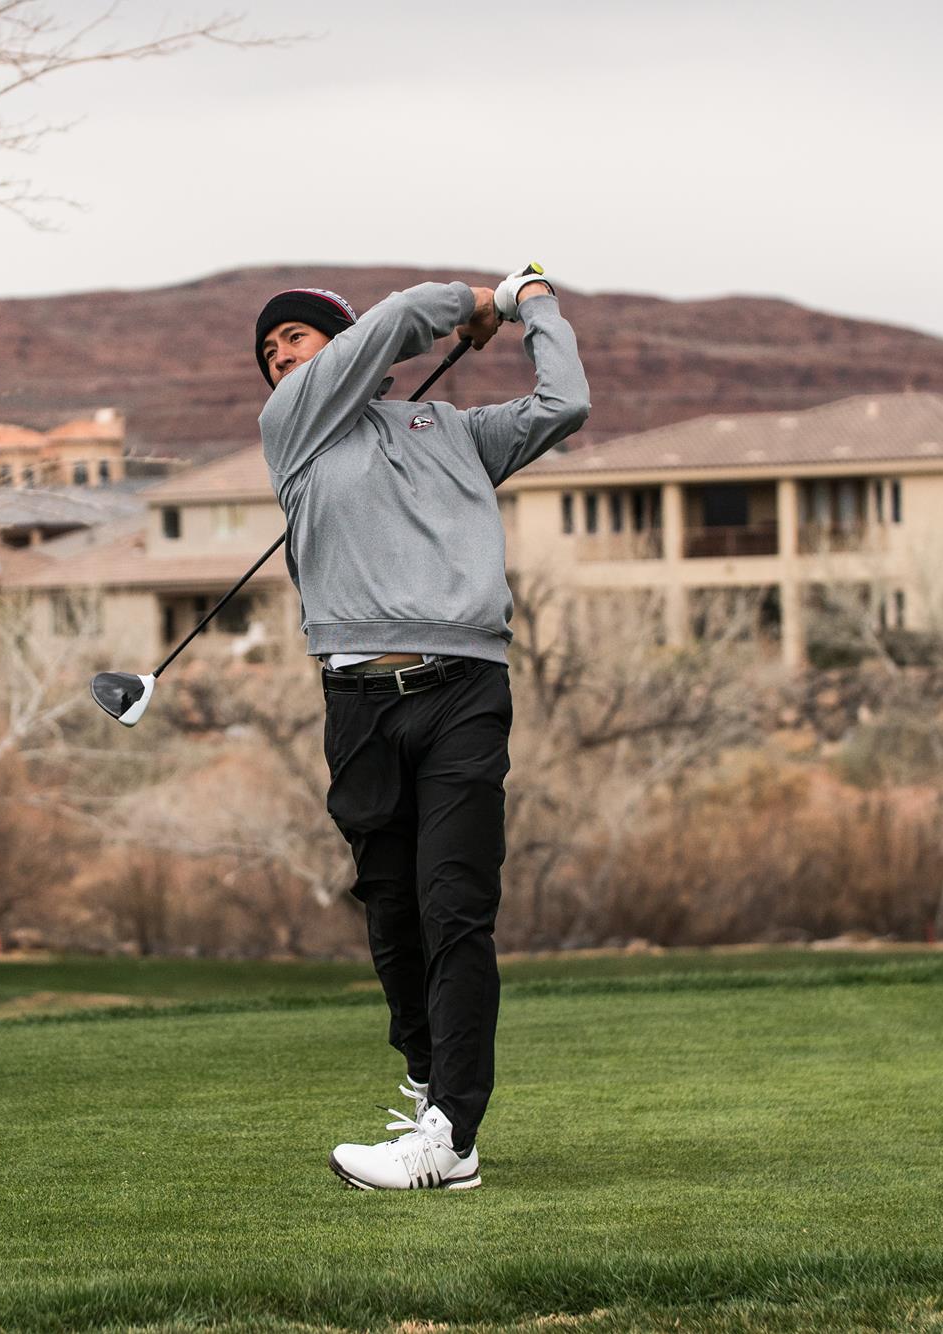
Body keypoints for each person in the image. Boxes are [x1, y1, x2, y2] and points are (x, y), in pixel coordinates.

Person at [255, 270, 590, 1190]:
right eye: (271, 351)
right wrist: (478, 297)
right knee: (394, 914)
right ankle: (426, 1073)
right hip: (358, 703)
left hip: (465, 689)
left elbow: (566, 402)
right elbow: (405, 318)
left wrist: (534, 308)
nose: (283, 355)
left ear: (342, 340)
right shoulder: (294, 429)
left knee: (456, 906)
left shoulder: (457, 433)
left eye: (298, 338)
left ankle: (452, 1136)